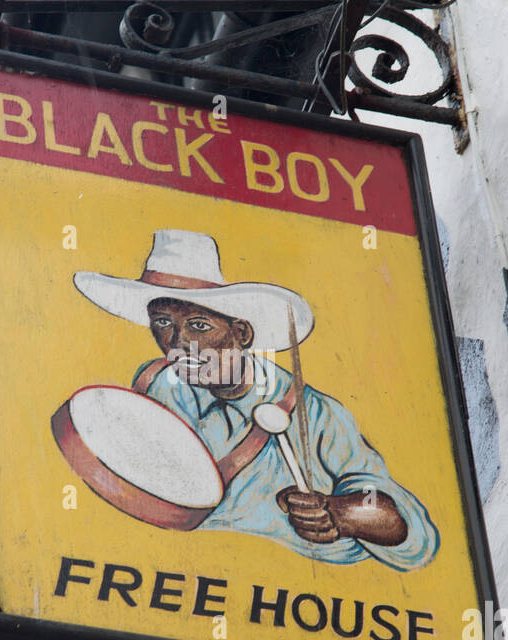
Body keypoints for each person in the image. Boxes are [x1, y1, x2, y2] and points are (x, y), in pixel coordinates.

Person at [73, 229, 439, 568]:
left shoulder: (315, 413)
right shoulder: (154, 384)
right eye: (164, 322)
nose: (178, 342)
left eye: (199, 326)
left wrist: (341, 513)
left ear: (242, 333)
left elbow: (407, 528)